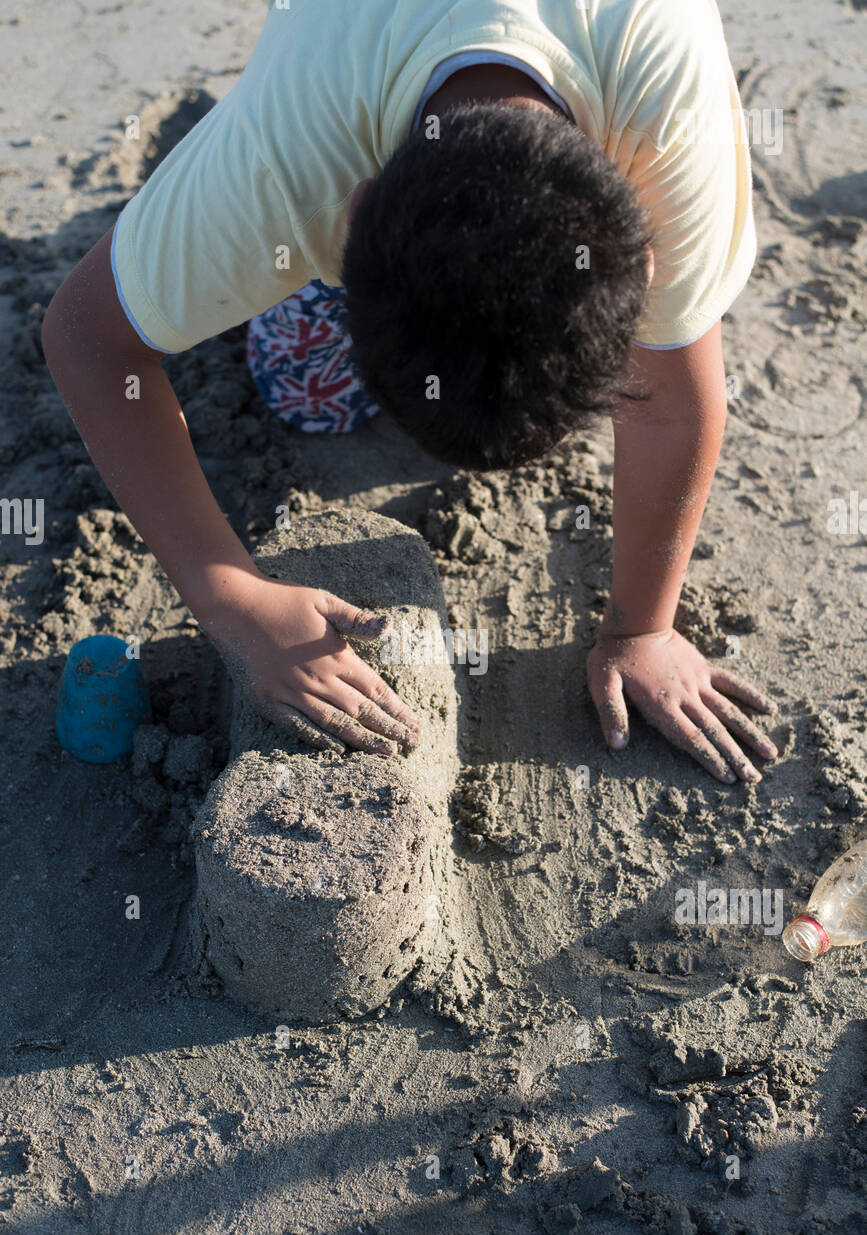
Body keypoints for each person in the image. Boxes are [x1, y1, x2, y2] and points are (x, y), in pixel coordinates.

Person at [42, 0, 778, 780]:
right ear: (356, 213)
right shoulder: (285, 156)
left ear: (646, 259)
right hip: (340, 55)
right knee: (306, 389)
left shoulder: (675, 137)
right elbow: (85, 340)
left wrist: (642, 632)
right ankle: (192, 234)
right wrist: (229, 598)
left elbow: (674, 402)